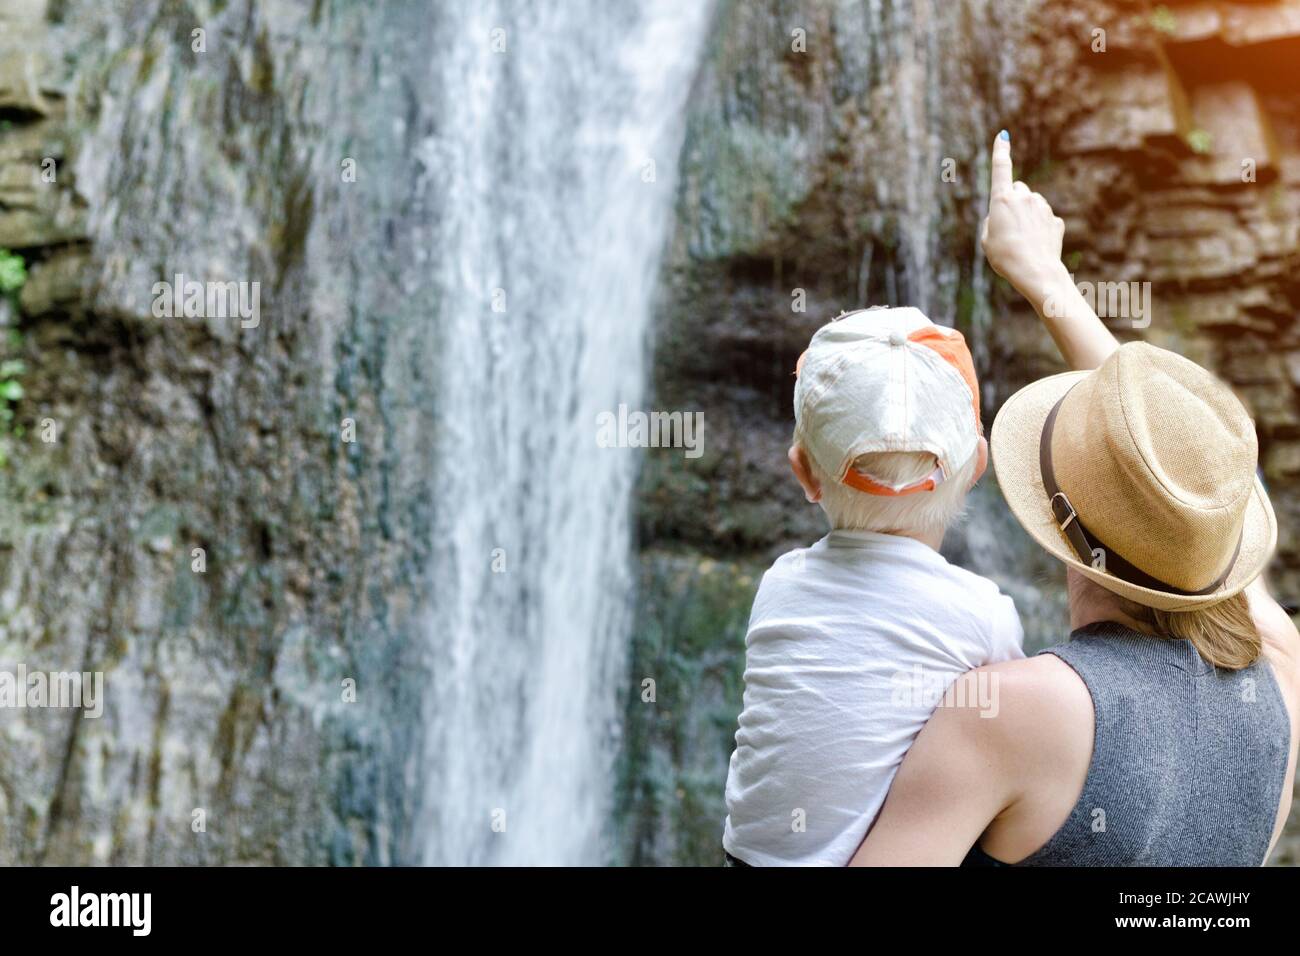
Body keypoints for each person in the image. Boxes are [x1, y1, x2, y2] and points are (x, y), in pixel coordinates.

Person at [850, 132, 1300, 866]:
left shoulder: (1015, 715)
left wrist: (1046, 278)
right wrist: (1046, 279)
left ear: (1059, 523)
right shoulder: (1280, 674)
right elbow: (1197, 477)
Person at [721, 303, 1023, 866]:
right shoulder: (984, 613)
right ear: (978, 465)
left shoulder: (780, 583)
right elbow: (1015, 737)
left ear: (804, 471)